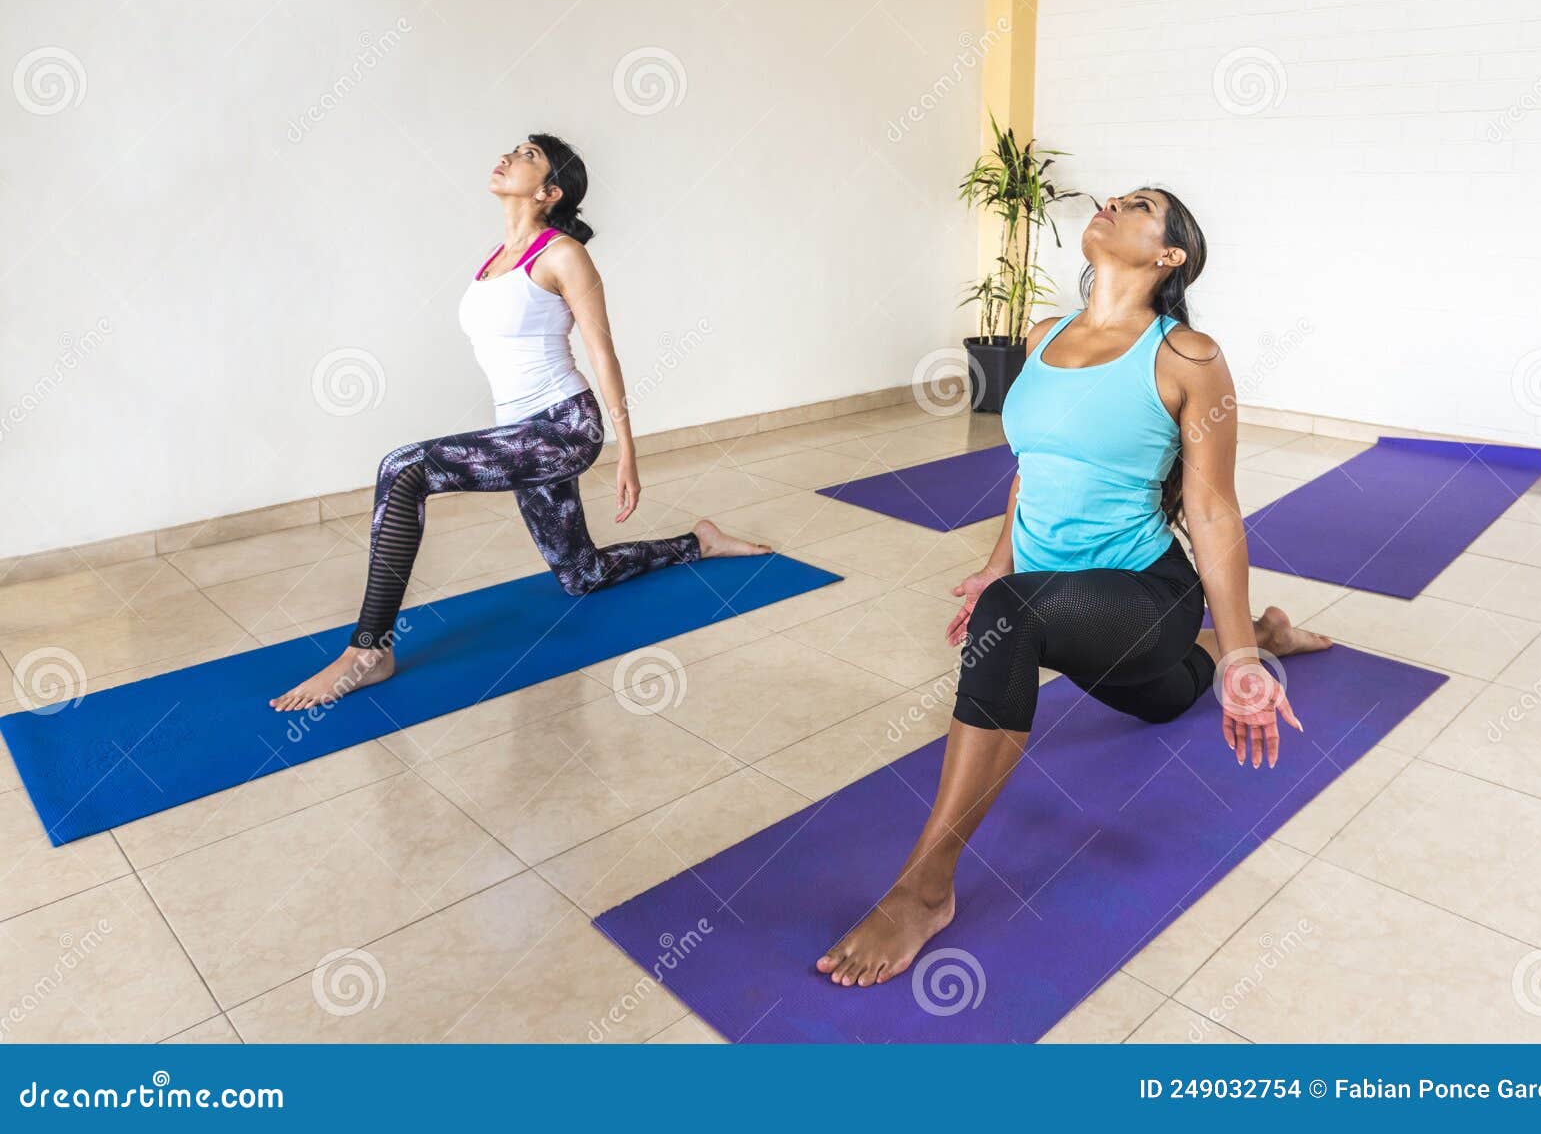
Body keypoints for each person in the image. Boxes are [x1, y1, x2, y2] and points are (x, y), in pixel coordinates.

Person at [816, 188, 1333, 987]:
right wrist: (998, 560)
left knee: (1014, 617)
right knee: (1160, 695)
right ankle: (1270, 629)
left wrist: (1236, 661)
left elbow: (1213, 506)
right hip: (1073, 603)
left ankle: (924, 889)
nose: (1113, 203)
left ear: (1171, 257)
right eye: (1114, 197)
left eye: (1140, 207)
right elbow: (1035, 466)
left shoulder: (1185, 354)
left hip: (1145, 593)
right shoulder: (1042, 334)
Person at [271, 134, 767, 712]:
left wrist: (628, 449)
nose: (508, 157)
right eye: (514, 149)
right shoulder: (493, 260)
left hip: (562, 428)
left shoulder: (563, 255)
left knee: (403, 467)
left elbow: (602, 352)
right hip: (521, 435)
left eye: (528, 157)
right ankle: (698, 542)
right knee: (581, 574)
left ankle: (369, 651)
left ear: (549, 191)